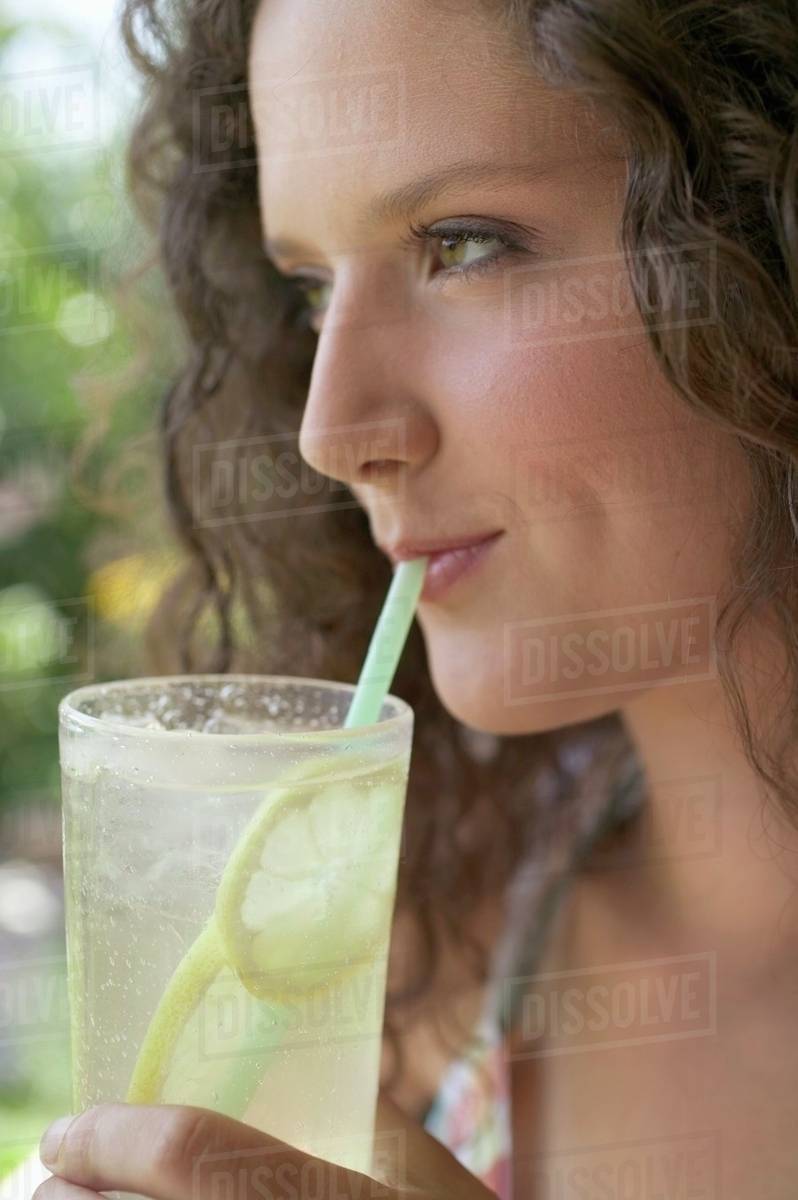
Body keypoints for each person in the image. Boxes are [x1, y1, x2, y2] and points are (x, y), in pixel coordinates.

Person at [34, 0, 798, 1196]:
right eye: (309, 290)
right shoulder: (413, 953)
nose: (330, 432)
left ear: (765, 245)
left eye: (464, 244)